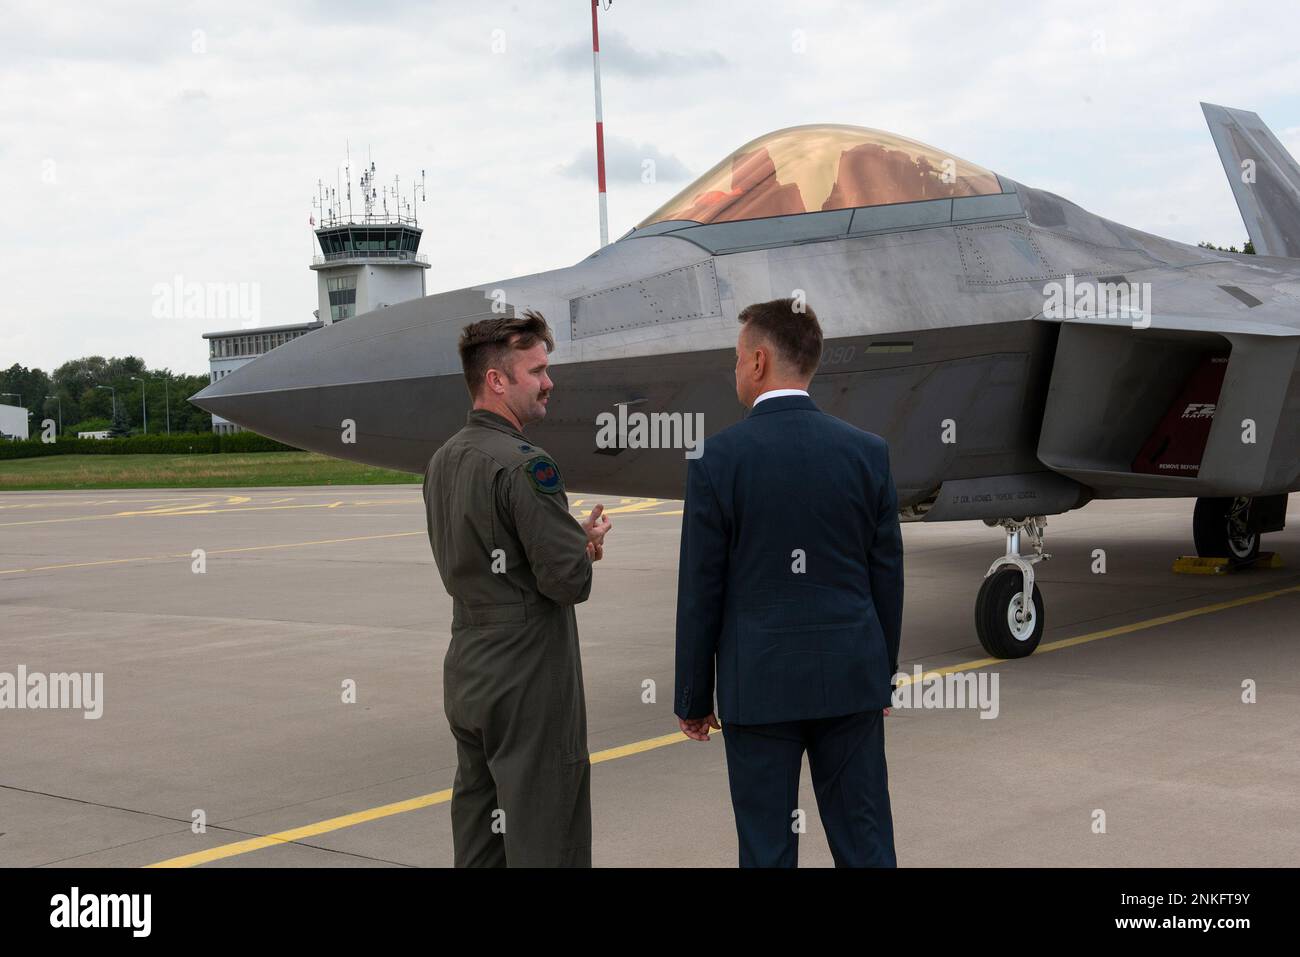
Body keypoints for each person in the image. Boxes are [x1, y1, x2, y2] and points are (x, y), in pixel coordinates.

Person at [674, 297, 903, 867]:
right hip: (850, 679)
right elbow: (887, 578)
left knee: (767, 849)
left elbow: (701, 590)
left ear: (757, 362)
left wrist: (694, 698)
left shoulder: (716, 460)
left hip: (759, 687)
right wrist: (881, 677)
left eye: (734, 359)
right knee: (866, 842)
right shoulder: (867, 453)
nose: (735, 371)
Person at [423, 309, 612, 867]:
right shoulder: (527, 465)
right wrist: (580, 549)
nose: (549, 382)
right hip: (527, 671)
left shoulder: (443, 461)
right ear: (497, 380)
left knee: (481, 835)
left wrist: (563, 537)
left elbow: (487, 553)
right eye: (537, 371)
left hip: (469, 664)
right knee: (548, 832)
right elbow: (567, 582)